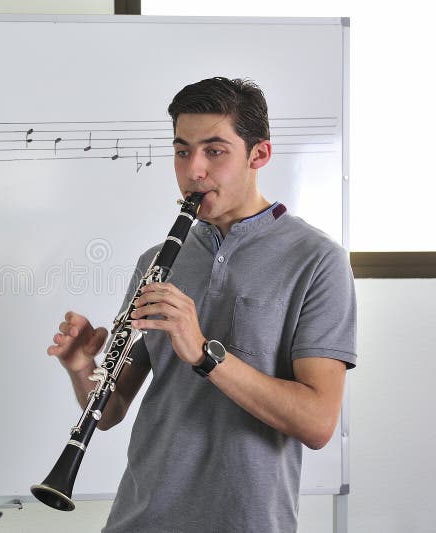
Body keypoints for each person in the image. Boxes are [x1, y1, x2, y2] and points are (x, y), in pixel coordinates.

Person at [46, 77, 357, 532]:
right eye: (182, 150)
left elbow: (317, 423)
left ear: (259, 155)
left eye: (215, 151)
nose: (193, 170)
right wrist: (81, 367)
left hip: (246, 522)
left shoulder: (318, 261)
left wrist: (205, 353)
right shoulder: (155, 260)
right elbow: (109, 411)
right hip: (139, 519)